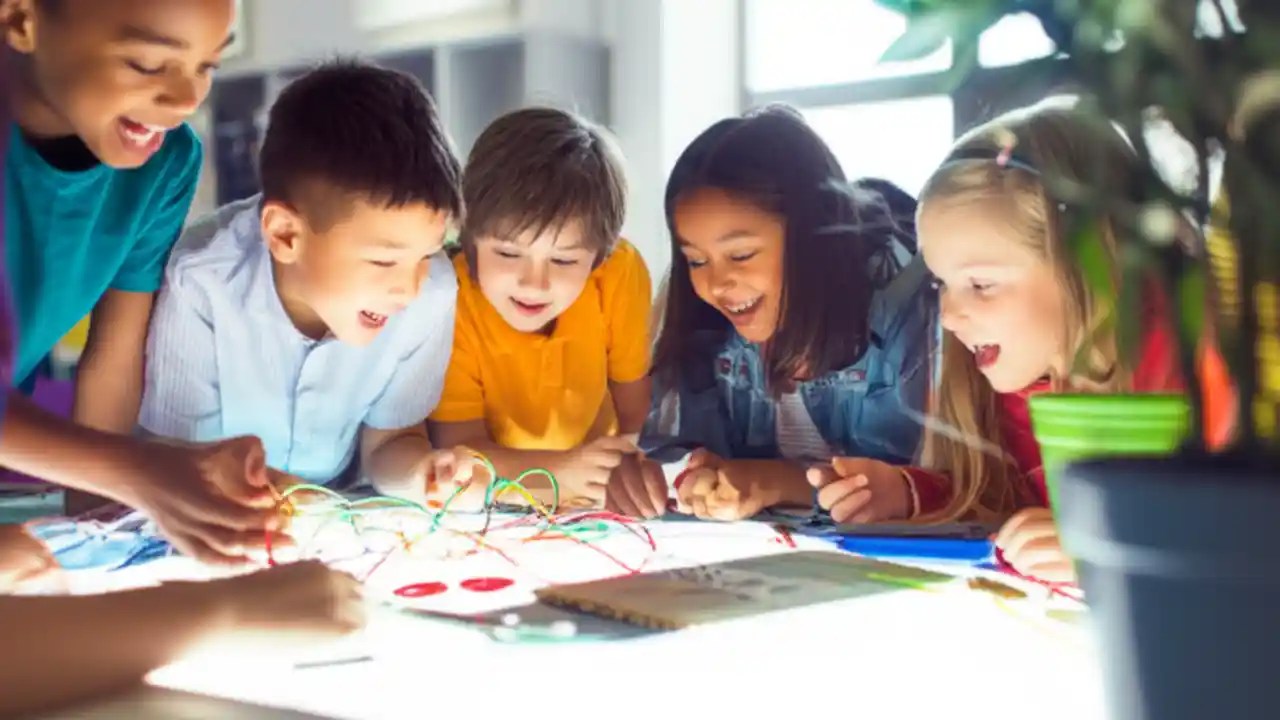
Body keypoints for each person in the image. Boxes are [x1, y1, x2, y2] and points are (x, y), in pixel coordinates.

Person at [813, 101, 1233, 582]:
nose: (948, 316)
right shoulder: (1011, 381)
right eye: (941, 284)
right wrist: (906, 493)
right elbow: (999, 503)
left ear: (1092, 262)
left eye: (982, 284)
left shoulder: (1210, 367)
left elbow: (1240, 535)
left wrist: (1108, 550)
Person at [140, 60, 468, 501]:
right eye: (383, 261)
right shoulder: (203, 282)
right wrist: (297, 499)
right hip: (210, 506)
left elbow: (390, 444)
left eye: (427, 256)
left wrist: (425, 476)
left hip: (337, 509)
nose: (409, 289)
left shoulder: (432, 295)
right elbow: (180, 456)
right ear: (285, 235)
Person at [615, 105, 936, 521]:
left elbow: (913, 485)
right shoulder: (703, 326)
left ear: (813, 237)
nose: (715, 284)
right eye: (696, 260)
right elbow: (667, 448)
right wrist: (663, 473)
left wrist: (772, 481)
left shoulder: (908, 310)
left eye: (741, 254)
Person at [428, 107, 652, 509]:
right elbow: (459, 450)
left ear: (599, 256)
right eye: (508, 253)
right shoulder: (448, 296)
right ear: (469, 234)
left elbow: (635, 415)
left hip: (586, 501)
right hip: (485, 502)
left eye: (564, 261)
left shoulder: (619, 273)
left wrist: (629, 468)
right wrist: (559, 474)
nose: (534, 283)